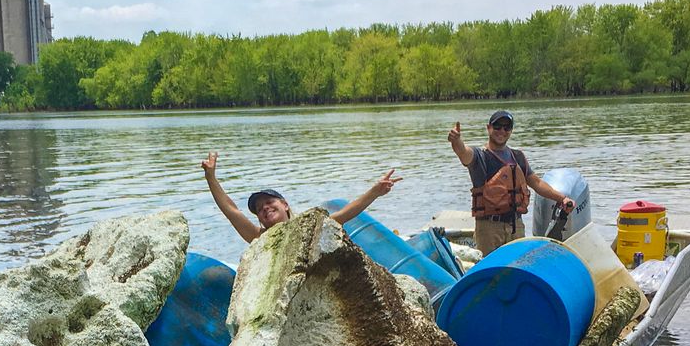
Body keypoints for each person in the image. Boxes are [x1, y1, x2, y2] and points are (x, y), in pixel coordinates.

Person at [448, 111, 576, 256]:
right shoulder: (480, 156)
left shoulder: (518, 157)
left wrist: (562, 198)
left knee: (517, 268)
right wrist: (456, 141)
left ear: (511, 131)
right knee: (491, 272)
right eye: (497, 126)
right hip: (489, 229)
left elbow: (537, 183)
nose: (502, 131)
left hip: (516, 227)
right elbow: (464, 153)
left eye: (507, 127)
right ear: (489, 128)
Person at [200, 152, 401, 244]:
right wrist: (211, 178)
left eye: (269, 202)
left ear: (285, 205)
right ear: (259, 219)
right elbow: (231, 211)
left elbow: (345, 214)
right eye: (260, 209)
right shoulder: (259, 238)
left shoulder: (306, 226)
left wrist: (374, 192)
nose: (265, 208)